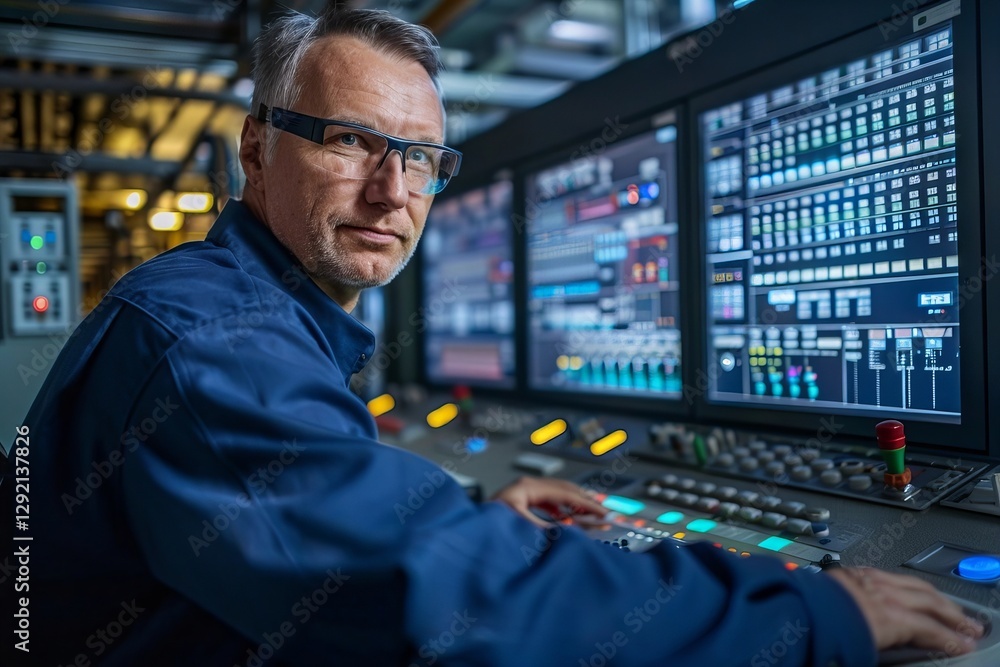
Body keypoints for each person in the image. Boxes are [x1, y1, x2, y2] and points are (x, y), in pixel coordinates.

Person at [1, 6, 984, 666]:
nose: (393, 191)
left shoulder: (248, 315)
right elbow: (438, 599)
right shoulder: (212, 340)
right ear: (257, 148)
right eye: (351, 142)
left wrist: (460, 508)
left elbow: (352, 529)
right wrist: (814, 613)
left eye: (422, 158)